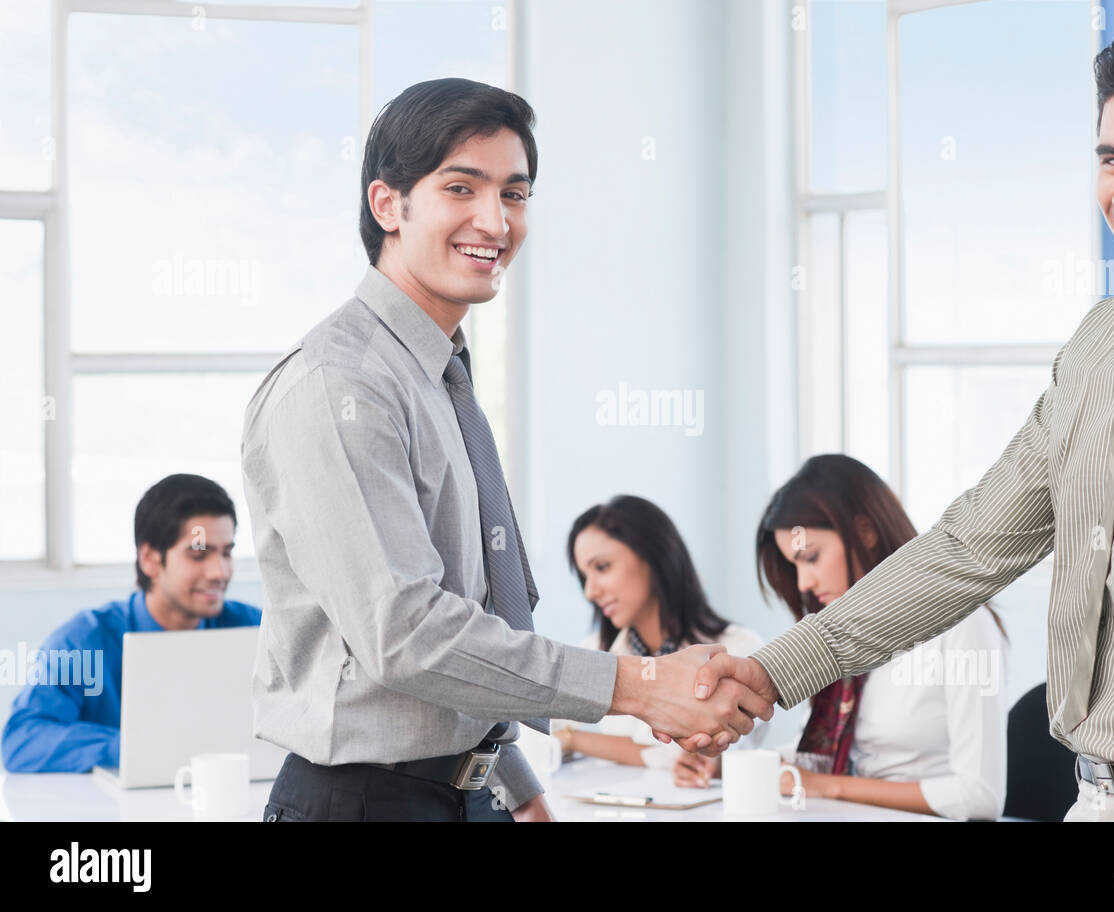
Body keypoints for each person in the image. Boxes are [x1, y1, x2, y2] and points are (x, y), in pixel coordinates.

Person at [681, 17, 1114, 822]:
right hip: (1097, 799)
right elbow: (967, 550)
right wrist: (773, 671)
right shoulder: (1098, 347)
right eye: (1112, 160)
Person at [241, 78, 770, 823]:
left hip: (471, 795)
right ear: (387, 204)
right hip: (364, 805)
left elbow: (473, 615)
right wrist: (642, 684)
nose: (494, 221)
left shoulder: (439, 372)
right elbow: (409, 634)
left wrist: (515, 785)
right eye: (462, 187)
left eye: (514, 194)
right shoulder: (341, 385)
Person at [672, 456, 1007, 820]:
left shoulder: (963, 625)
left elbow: (979, 795)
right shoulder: (833, 639)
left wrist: (826, 785)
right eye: (794, 566)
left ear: (865, 531)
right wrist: (725, 766)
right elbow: (824, 756)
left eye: (811, 557)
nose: (804, 584)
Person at [1, 474, 261, 773]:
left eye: (226, 552)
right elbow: (22, 740)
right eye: (199, 555)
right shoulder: (86, 640)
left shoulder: (254, 630)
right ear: (150, 558)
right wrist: (136, 748)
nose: (221, 571)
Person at [555, 495, 764, 769]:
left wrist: (572, 739)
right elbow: (543, 729)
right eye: (584, 576)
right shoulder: (594, 650)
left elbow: (689, 758)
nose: (590, 591)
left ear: (653, 555)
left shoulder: (738, 651)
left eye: (602, 567)